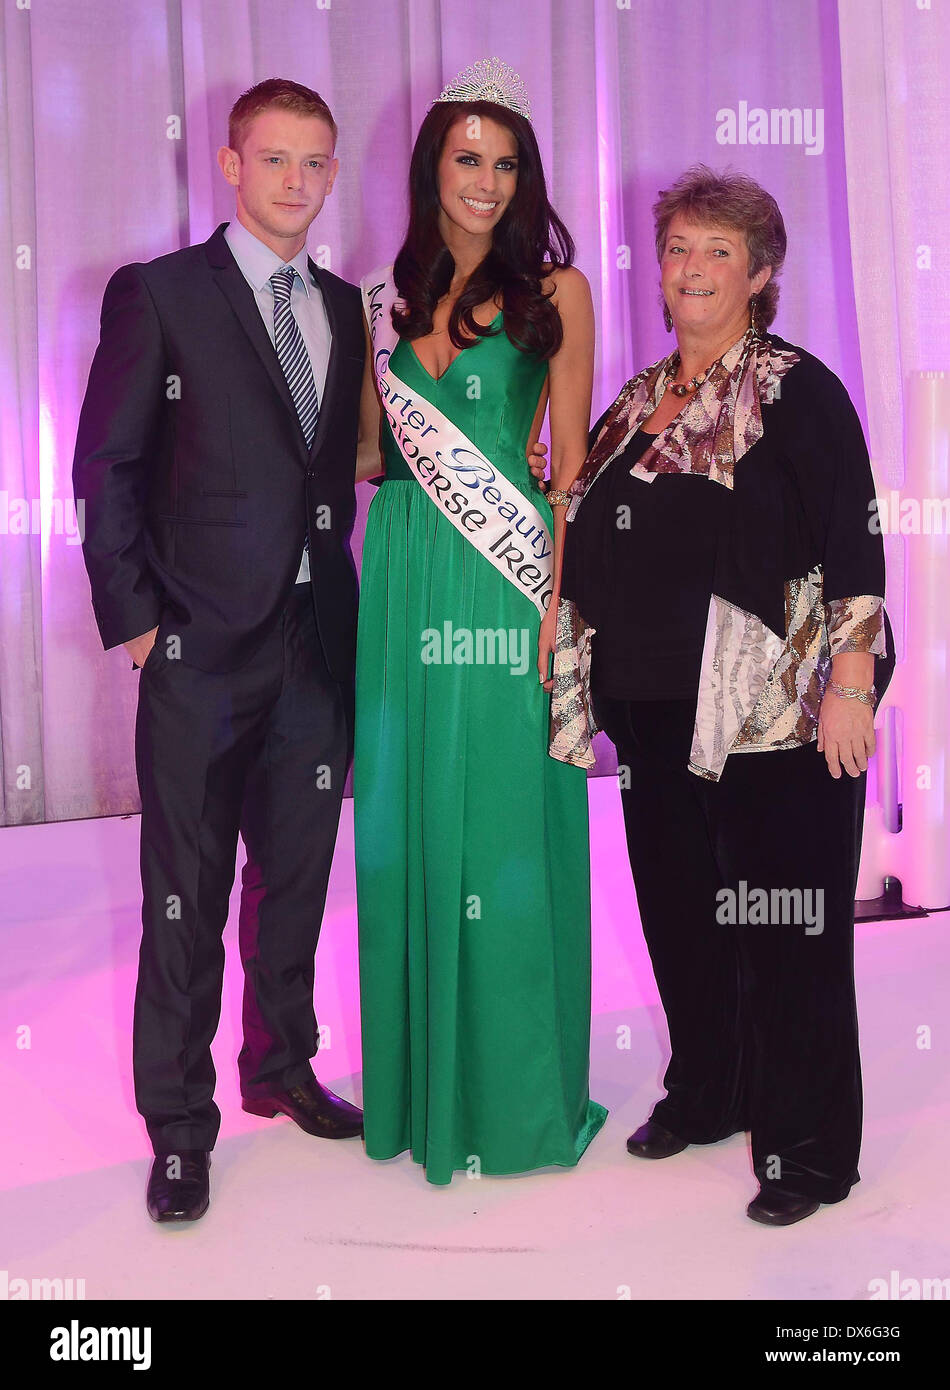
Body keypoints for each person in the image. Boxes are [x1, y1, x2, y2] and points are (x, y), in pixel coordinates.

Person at [552, 164, 894, 1226]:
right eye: (677, 249)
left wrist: (851, 685)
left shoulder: (795, 387)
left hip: (773, 721)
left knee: (785, 936)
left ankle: (806, 1151)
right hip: (653, 718)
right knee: (684, 924)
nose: (690, 268)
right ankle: (707, 1091)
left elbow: (852, 541)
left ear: (759, 273)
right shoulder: (630, 402)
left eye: (716, 251)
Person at [72, 79, 365, 1223]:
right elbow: (108, 470)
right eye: (275, 159)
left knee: (293, 876)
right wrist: (141, 625)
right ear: (231, 167)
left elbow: (326, 471)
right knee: (182, 894)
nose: (296, 181)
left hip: (312, 643)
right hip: (196, 645)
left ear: (331, 175)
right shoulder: (159, 295)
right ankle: (179, 1126)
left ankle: (280, 1062)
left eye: (315, 163)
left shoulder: (343, 305)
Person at [353, 59, 607, 1184]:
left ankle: (510, 1095)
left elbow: (569, 476)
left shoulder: (558, 292)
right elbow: (369, 457)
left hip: (505, 579)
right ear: (432, 166)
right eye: (467, 159)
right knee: (409, 815)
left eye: (506, 165)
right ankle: (419, 1087)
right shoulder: (379, 299)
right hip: (405, 576)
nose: (487, 182)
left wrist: (557, 611)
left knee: (502, 822)